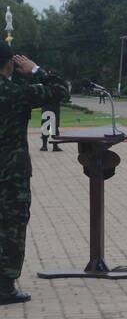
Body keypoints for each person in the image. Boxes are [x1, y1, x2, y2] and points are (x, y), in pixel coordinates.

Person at [0, 44, 70, 305]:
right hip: (11, 172)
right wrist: (35, 69)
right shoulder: (17, 92)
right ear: (10, 63)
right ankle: (5, 285)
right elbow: (60, 90)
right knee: (11, 224)